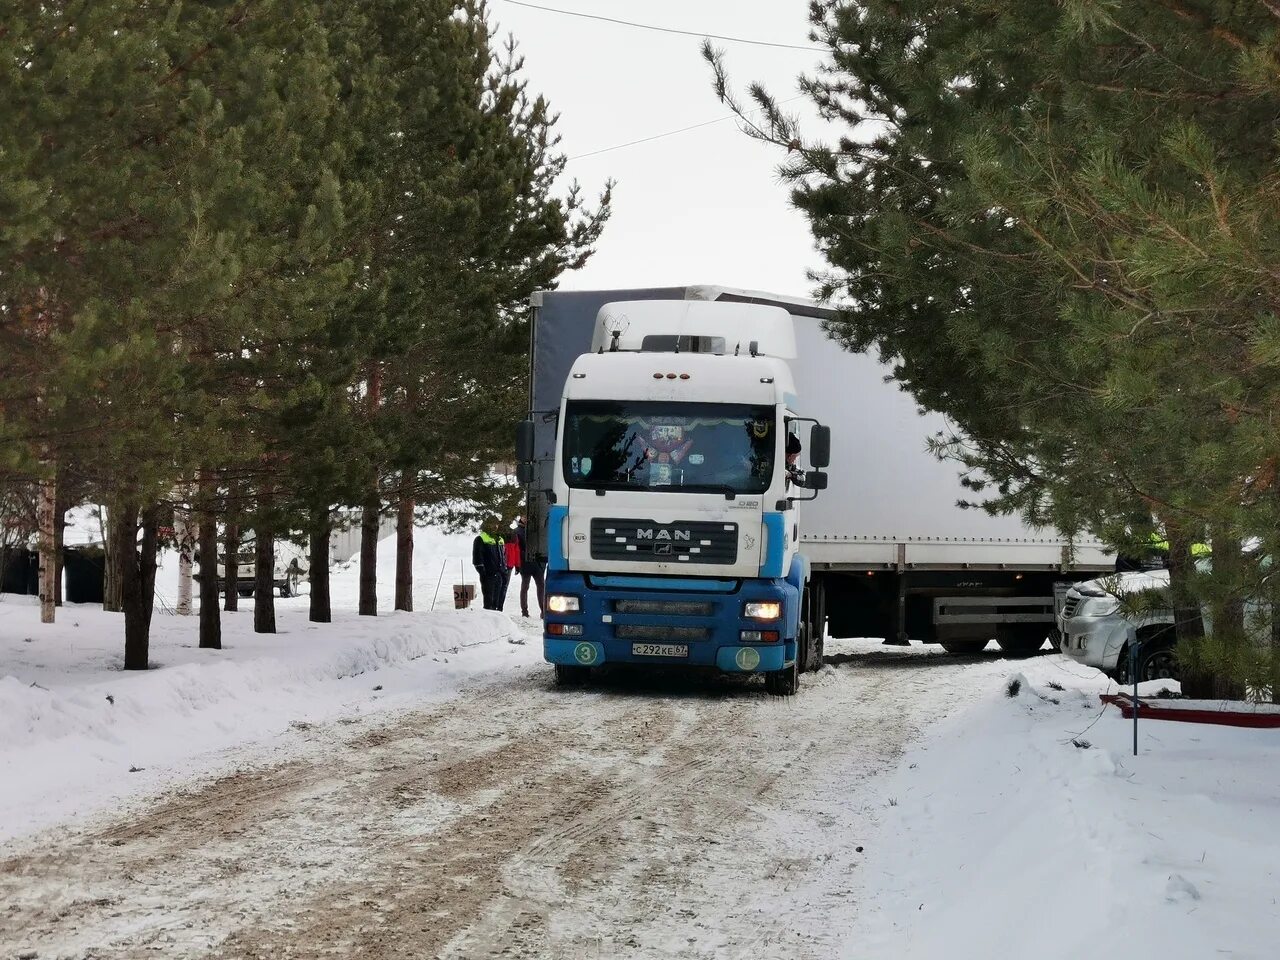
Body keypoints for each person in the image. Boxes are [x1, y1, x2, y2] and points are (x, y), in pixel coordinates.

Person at [472, 519, 507, 611]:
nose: (495, 526)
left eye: (496, 524)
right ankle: (489, 621)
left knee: (499, 600)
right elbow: (477, 558)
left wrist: (504, 569)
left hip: (500, 573)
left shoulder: (500, 539)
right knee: (489, 601)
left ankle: (498, 618)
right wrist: (483, 572)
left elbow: (503, 556)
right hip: (488, 574)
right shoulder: (481, 538)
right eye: (492, 524)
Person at [516, 516, 545, 619]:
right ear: (521, 518)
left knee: (541, 586)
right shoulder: (518, 531)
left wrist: (542, 561)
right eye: (524, 517)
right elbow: (517, 549)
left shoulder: (536, 530)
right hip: (526, 564)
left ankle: (543, 611)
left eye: (527, 517)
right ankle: (524, 611)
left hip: (537, 565)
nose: (526, 519)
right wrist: (520, 563)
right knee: (525, 587)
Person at [500, 525, 520, 611]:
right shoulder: (499, 533)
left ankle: (500, 606)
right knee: (502, 586)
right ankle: (498, 606)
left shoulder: (513, 533)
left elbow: (516, 550)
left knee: (504, 586)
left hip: (509, 564)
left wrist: (517, 565)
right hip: (503, 564)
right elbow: (516, 550)